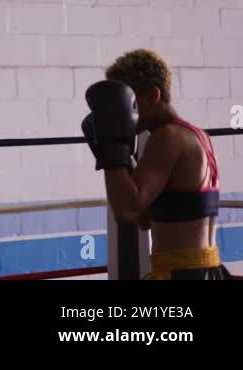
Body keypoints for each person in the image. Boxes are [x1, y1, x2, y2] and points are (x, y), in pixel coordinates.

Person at [82, 49, 231, 280]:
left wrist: (111, 153)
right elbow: (145, 219)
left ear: (153, 96)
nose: (119, 114)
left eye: (126, 103)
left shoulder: (167, 138)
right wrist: (123, 158)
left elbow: (126, 211)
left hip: (181, 274)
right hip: (208, 270)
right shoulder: (197, 135)